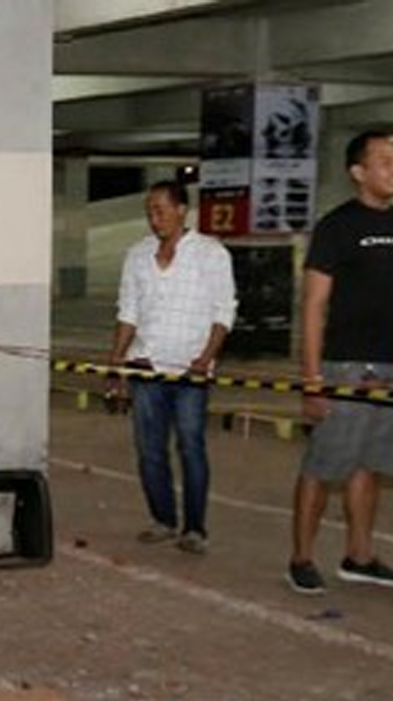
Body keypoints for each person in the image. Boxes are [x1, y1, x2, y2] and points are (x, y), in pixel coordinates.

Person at [287, 131, 393, 594]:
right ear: (358, 172)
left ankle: (360, 555)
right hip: (347, 367)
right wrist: (312, 381)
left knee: (373, 464)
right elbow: (313, 306)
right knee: (324, 466)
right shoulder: (336, 227)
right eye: (386, 162)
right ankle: (302, 558)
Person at [106, 179, 235, 553]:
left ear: (182, 210)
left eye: (160, 210)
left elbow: (223, 313)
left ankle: (195, 528)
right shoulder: (137, 255)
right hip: (145, 367)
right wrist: (116, 363)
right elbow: (128, 311)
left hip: (190, 372)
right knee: (149, 449)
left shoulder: (211, 254)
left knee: (191, 447)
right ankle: (163, 518)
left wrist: (206, 358)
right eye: (149, 211)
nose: (154, 218)